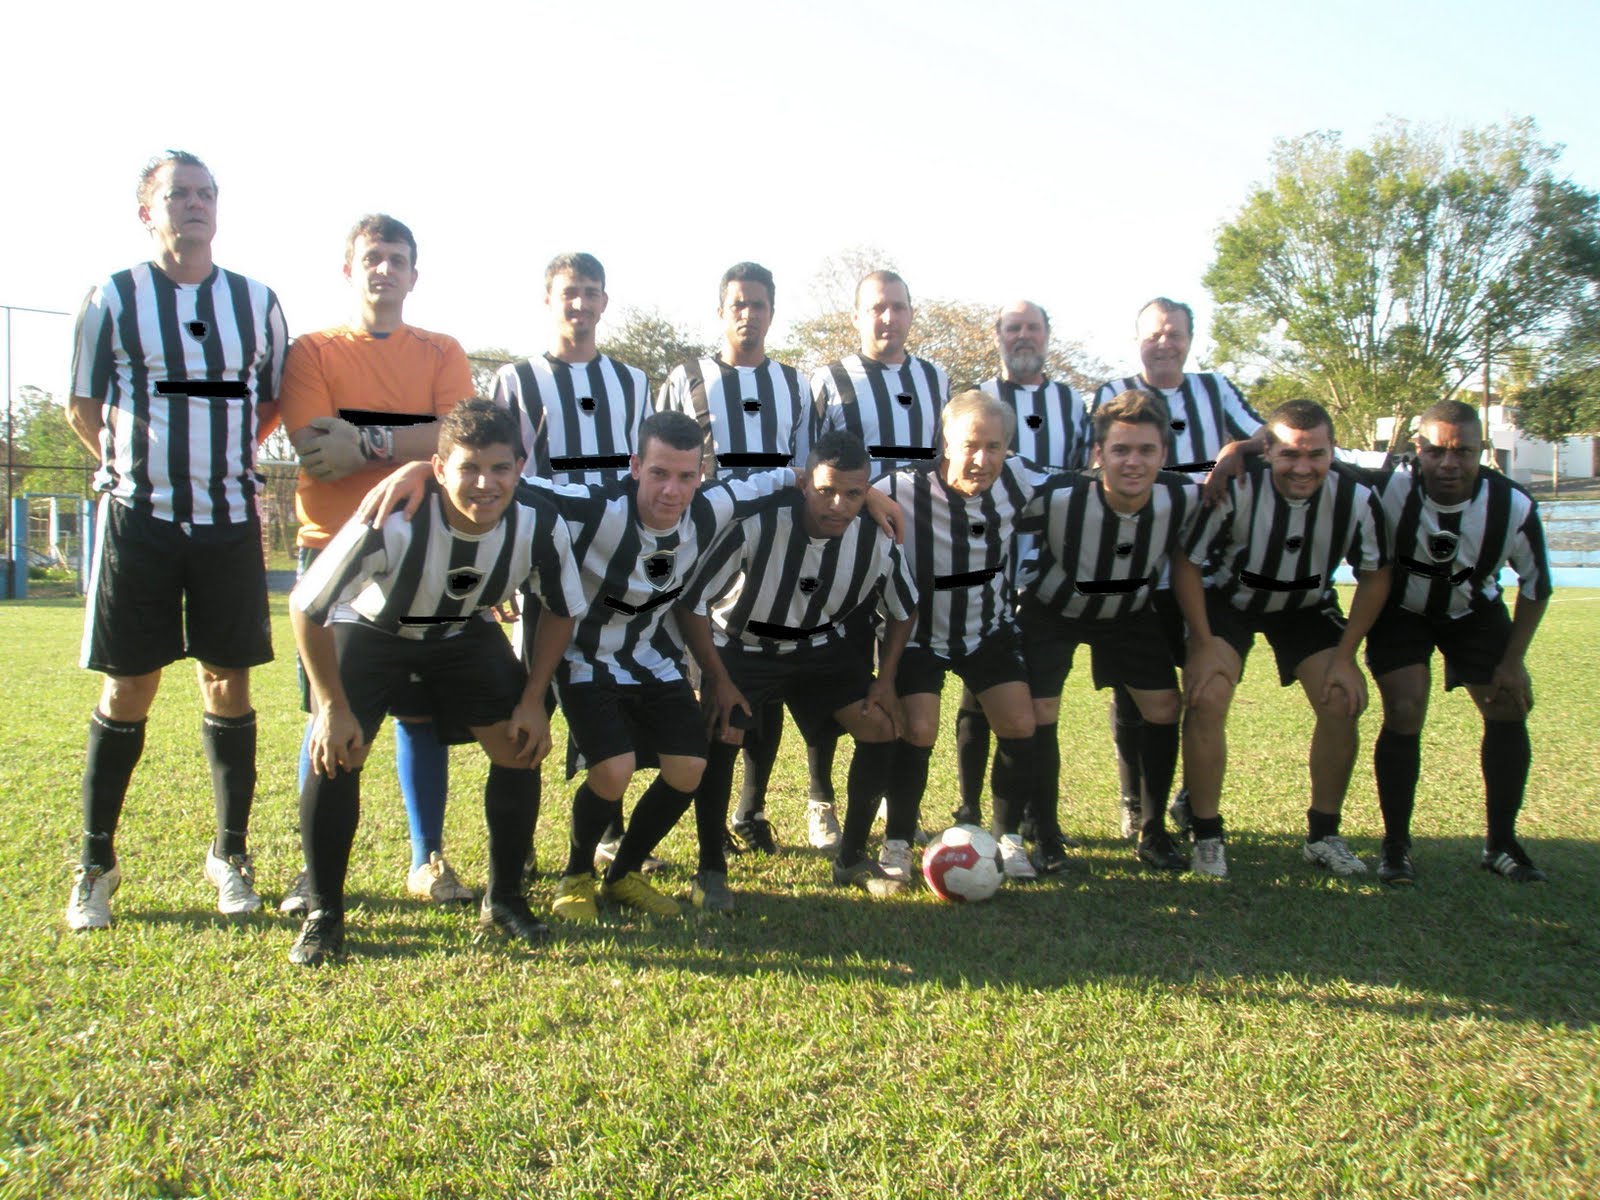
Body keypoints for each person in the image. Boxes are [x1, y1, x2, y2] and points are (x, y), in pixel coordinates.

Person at [64, 150, 287, 931]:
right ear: (147, 212)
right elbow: (82, 406)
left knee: (228, 683)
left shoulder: (257, 304)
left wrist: (214, 463)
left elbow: (266, 407)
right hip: (140, 521)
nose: (194, 205)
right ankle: (96, 861)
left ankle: (230, 853)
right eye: (177, 195)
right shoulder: (113, 298)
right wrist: (133, 467)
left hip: (227, 522)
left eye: (205, 194)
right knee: (129, 687)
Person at [287, 400, 584, 964]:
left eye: (499, 468)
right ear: (440, 467)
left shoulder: (538, 521)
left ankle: (505, 899)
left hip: (460, 630)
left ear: (520, 467)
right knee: (338, 752)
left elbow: (562, 608)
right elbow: (307, 607)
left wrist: (532, 698)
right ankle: (324, 909)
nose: (484, 483)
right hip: (373, 629)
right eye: (468, 468)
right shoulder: (393, 519)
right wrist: (329, 707)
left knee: (520, 748)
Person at [278, 214, 475, 911]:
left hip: (421, 557)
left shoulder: (442, 350)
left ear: (414, 275)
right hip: (332, 554)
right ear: (349, 268)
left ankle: (426, 859)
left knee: (420, 717)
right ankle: (315, 871)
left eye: (396, 258)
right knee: (334, 716)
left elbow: (459, 445)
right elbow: (314, 447)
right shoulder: (312, 352)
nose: (384, 268)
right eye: (371, 257)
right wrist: (412, 444)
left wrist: (368, 440)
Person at [677, 430, 919, 908]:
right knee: (724, 729)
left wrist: (886, 680)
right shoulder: (758, 526)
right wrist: (717, 680)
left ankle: (850, 858)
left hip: (818, 651)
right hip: (743, 647)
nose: (839, 505)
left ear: (866, 491)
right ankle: (711, 868)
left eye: (853, 493)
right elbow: (693, 604)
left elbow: (904, 608)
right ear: (805, 483)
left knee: (882, 727)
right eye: (826, 490)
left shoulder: (876, 540)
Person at [1179, 399, 1391, 879]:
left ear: (1333, 451)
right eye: (1291, 454)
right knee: (1207, 696)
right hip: (1231, 599)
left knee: (1342, 699)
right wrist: (1203, 641)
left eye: (1315, 454)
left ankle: (1323, 834)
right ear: (1268, 450)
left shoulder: (1355, 496)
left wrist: (1346, 655)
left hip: (1306, 606)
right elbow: (1187, 562)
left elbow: (1376, 575)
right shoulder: (1238, 483)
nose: (1303, 467)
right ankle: (1207, 835)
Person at [491, 252, 651, 867]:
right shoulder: (516, 380)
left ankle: (607, 837)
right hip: (542, 570)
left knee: (607, 691)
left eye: (590, 292)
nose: (579, 304)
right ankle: (522, 846)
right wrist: (507, 563)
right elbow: (506, 477)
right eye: (568, 293)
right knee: (534, 699)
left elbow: (640, 477)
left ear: (605, 301)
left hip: (613, 569)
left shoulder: (633, 383)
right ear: (549, 299)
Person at [873, 390, 1070, 883]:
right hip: (919, 635)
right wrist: (869, 494)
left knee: (1021, 724)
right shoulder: (902, 487)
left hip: (988, 630)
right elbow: (852, 494)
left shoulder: (1019, 480)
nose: (982, 459)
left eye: (995, 447)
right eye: (970, 445)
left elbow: (1083, 485)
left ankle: (1009, 839)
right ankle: (897, 839)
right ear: (945, 442)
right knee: (918, 730)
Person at [655, 262, 817, 854]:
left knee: (762, 682)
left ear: (773, 311)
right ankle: (710, 817)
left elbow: (804, 472)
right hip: (705, 548)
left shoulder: (797, 386)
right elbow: (662, 456)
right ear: (720, 311)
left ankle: (751, 810)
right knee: (707, 678)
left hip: (773, 550)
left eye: (759, 304)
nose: (749, 314)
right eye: (738, 304)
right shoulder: (685, 377)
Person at [1093, 298, 1265, 840]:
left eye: (1175, 333)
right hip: (1136, 569)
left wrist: (1236, 447)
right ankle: (1133, 799)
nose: (1164, 342)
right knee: (1133, 692)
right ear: (1137, 338)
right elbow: (1091, 463)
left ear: (1190, 338)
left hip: (1202, 570)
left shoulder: (1216, 389)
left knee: (1200, 686)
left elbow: (1272, 436)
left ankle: (1190, 798)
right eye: (1154, 334)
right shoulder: (1113, 391)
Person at [1016, 389, 1208, 872]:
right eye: (1120, 450)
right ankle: (1045, 829)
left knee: (1164, 706)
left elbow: (1189, 558)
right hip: (1053, 610)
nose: (1133, 462)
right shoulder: (1060, 496)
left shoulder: (1183, 496)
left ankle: (1152, 829)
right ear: (1098, 454)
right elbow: (998, 517)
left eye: (1146, 450)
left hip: (1129, 610)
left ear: (1164, 453)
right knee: (1040, 710)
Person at [1364, 400, 1553, 884]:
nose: (1450, 463)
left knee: (1508, 705)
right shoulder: (1388, 488)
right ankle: (1396, 845)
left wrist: (1513, 661)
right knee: (1405, 709)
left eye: (1464, 451)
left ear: (1482, 451)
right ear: (1418, 450)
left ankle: (1501, 842)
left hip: (1474, 612)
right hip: (1402, 612)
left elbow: (1536, 587)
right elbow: (1320, 466)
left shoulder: (1512, 505)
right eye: (1437, 451)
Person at [802, 270, 951, 843]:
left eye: (897, 307)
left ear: (912, 312)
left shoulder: (934, 377)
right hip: (846, 543)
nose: (887, 318)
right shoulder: (830, 379)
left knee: (899, 668)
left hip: (913, 548)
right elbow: (812, 463)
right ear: (856, 316)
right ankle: (820, 797)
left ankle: (888, 795)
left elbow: (944, 459)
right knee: (835, 669)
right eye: (876, 309)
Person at [953, 299, 1093, 832]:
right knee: (977, 696)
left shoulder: (1070, 402)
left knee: (1033, 697)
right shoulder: (978, 398)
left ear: (1048, 334)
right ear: (999, 337)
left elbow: (1082, 478)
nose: (1024, 336)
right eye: (1014, 328)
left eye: (1033, 327)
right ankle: (968, 806)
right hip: (989, 562)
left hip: (1045, 572)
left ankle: (1033, 812)